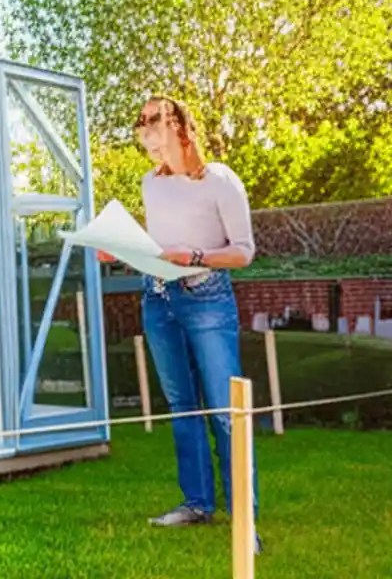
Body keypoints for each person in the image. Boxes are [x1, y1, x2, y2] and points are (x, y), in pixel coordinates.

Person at [99, 94, 261, 552]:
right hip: (158, 298)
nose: (145, 130)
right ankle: (197, 503)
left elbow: (243, 250)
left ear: (181, 126)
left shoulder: (220, 181)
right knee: (182, 406)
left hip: (207, 298)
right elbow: (161, 245)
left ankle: (244, 520)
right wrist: (125, 250)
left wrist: (194, 257)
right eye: (141, 123)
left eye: (154, 120)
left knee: (228, 410)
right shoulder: (151, 183)